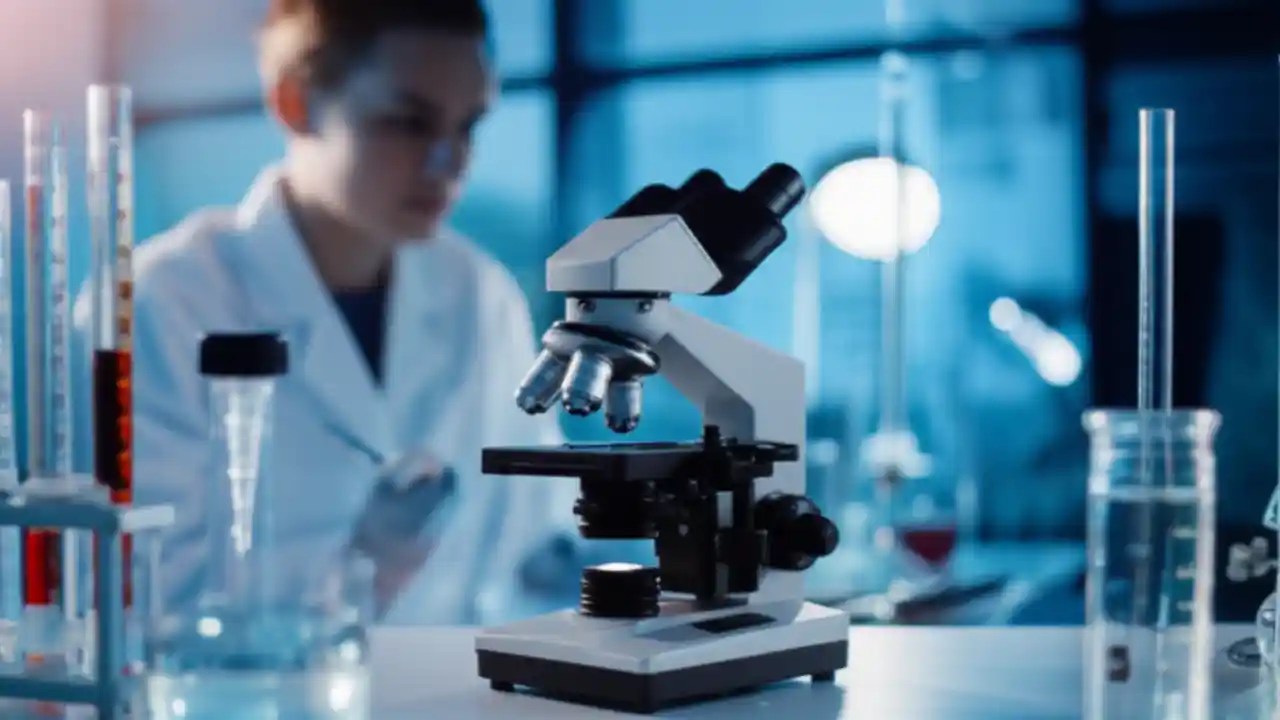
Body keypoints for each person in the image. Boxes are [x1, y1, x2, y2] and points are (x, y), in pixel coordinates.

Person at [73, 0, 574, 624]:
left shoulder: (479, 292)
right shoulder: (160, 302)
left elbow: (537, 541)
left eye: (467, 126)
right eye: (407, 122)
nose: (448, 162)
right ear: (295, 103)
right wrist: (363, 565)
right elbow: (132, 591)